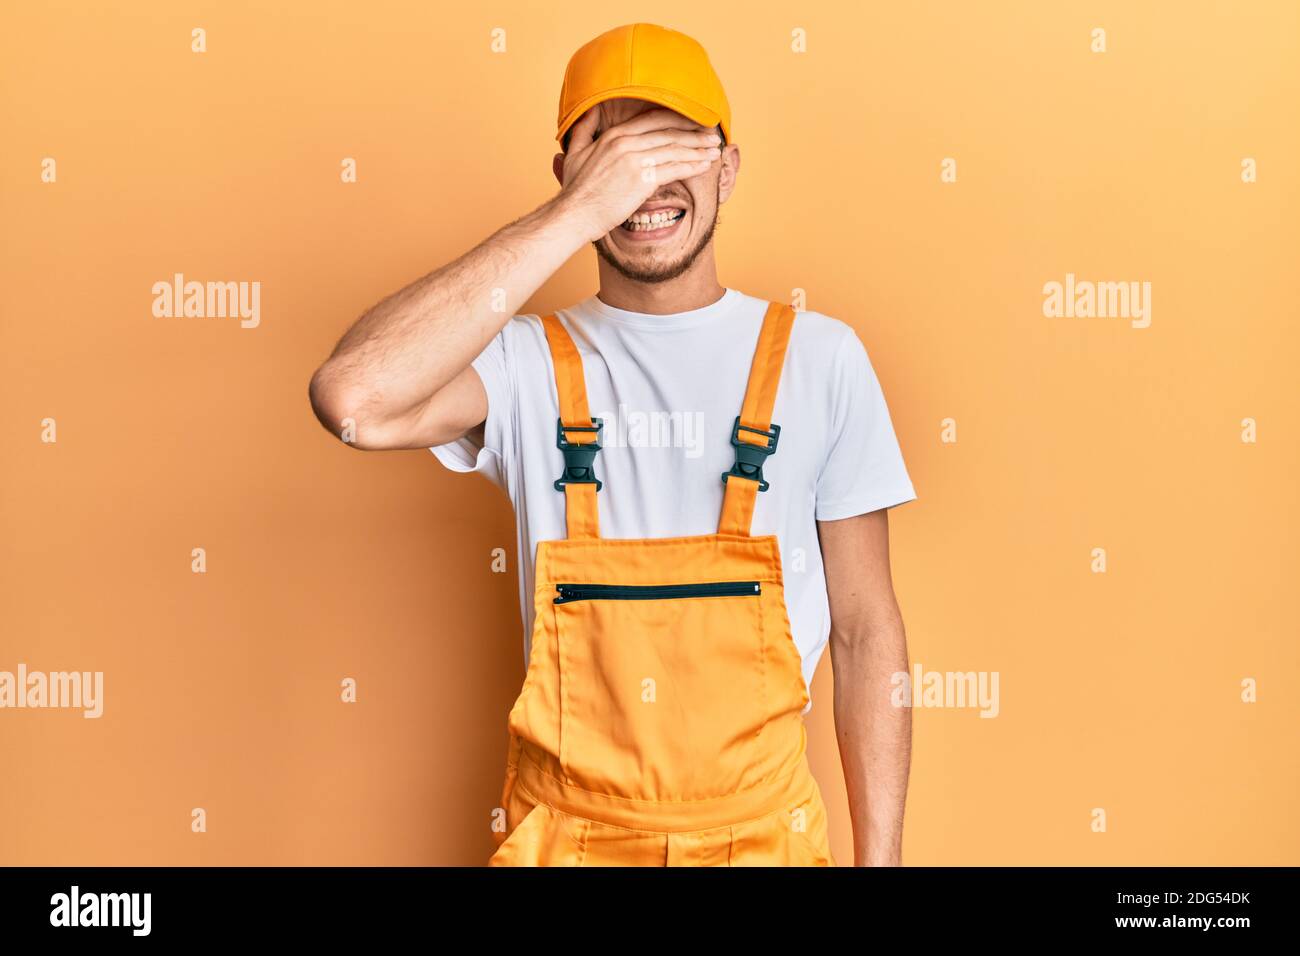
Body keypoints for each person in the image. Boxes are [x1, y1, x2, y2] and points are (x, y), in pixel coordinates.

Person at [309, 23, 916, 867]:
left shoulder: (821, 360)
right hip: (565, 845)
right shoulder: (521, 365)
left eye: (669, 144)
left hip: (768, 843)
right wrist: (573, 215)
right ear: (568, 177)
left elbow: (866, 630)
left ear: (726, 168)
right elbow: (352, 399)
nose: (645, 177)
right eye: (610, 152)